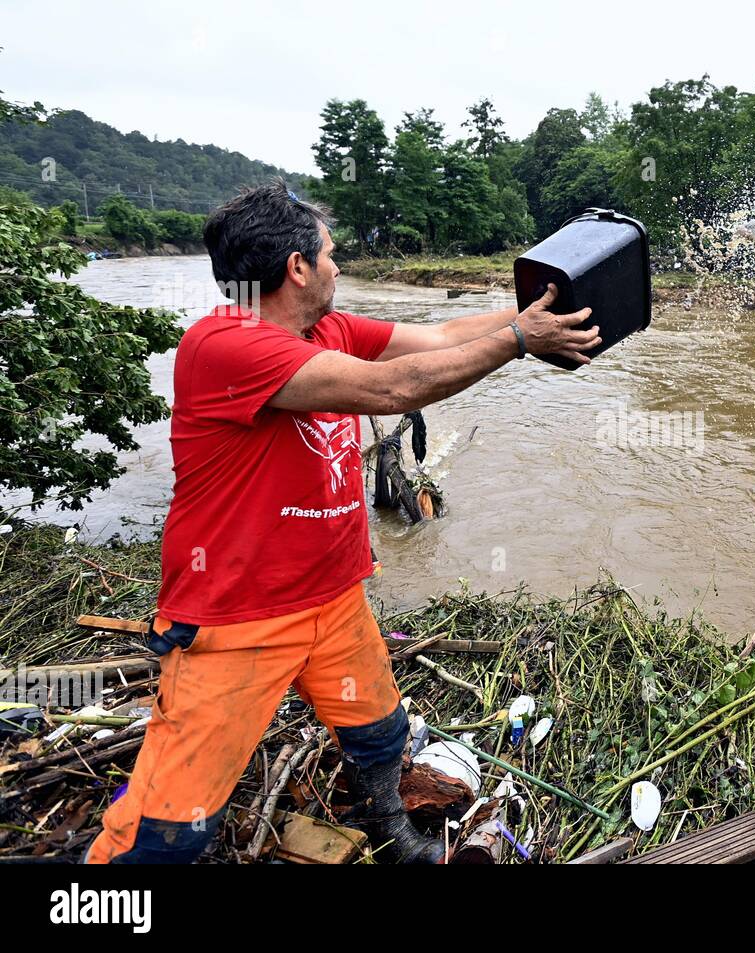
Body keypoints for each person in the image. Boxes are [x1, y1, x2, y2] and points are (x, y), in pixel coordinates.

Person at [85, 180, 599, 863]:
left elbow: (442, 335)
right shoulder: (225, 346)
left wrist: (532, 320)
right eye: (329, 254)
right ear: (297, 267)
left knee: (380, 733)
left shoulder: (326, 328)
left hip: (333, 597)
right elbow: (397, 387)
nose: (337, 264)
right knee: (168, 828)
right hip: (238, 617)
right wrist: (517, 341)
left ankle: (388, 823)